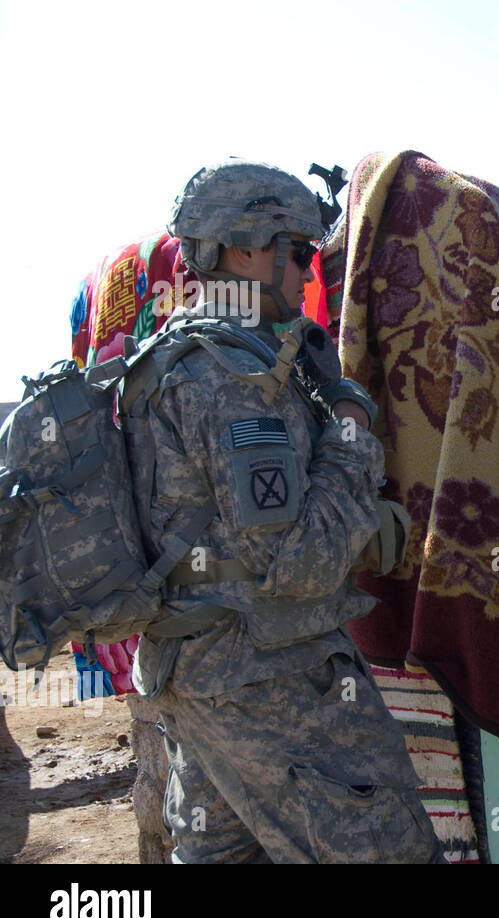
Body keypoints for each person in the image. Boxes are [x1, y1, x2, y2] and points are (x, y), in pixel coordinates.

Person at [127, 159, 442, 863]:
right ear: (244, 250)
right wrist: (351, 426)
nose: (308, 272)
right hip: (266, 679)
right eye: (299, 251)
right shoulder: (233, 378)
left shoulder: (180, 353)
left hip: (204, 675)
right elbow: (301, 560)